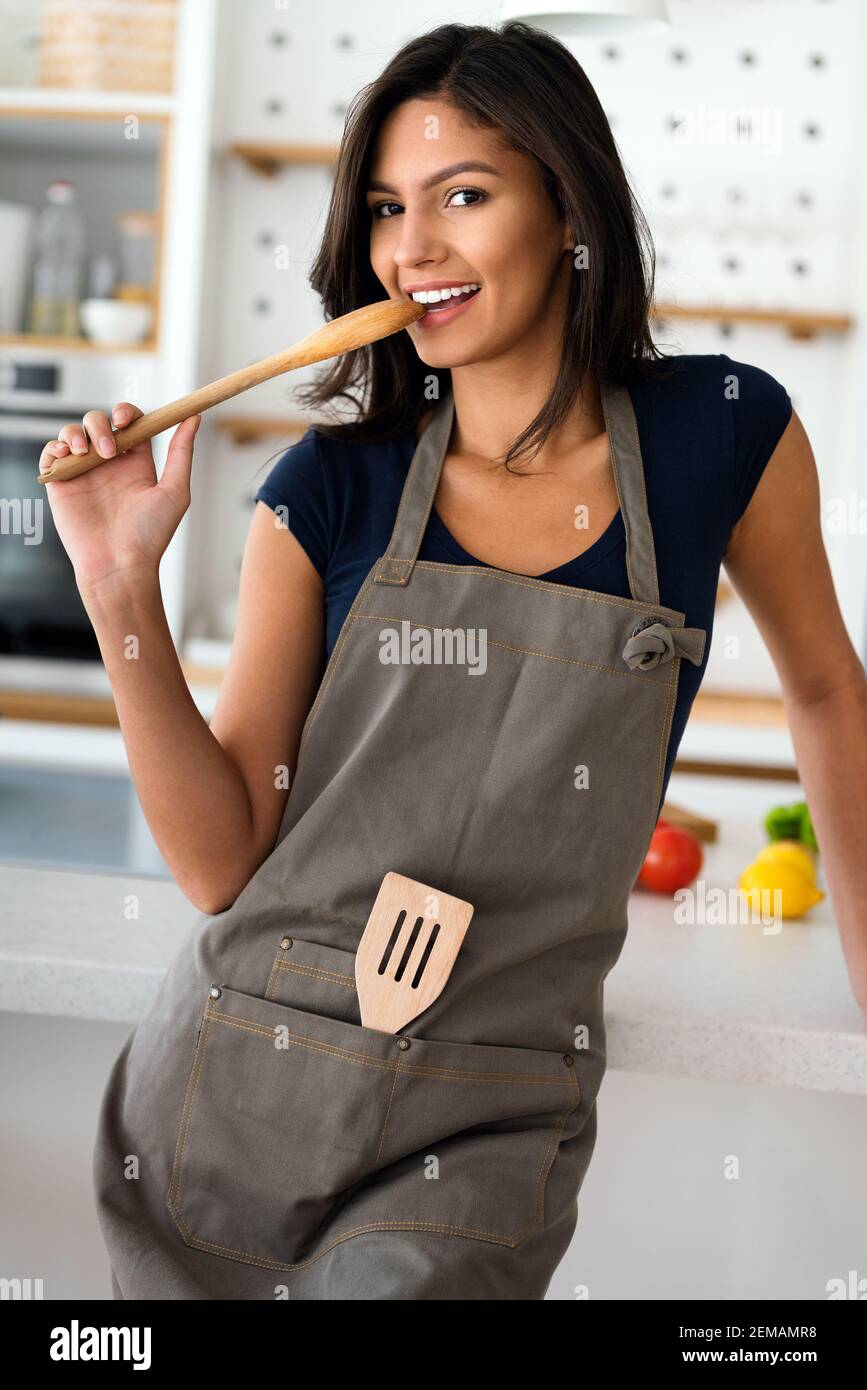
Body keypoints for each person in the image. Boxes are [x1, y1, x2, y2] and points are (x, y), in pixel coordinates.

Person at [40, 22, 867, 1301]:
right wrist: (117, 590)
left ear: (567, 207)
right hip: (237, 1089)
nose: (409, 249)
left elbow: (824, 690)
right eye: (384, 209)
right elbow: (218, 859)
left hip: (493, 1113)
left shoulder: (723, 435)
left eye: (462, 197)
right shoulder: (326, 489)